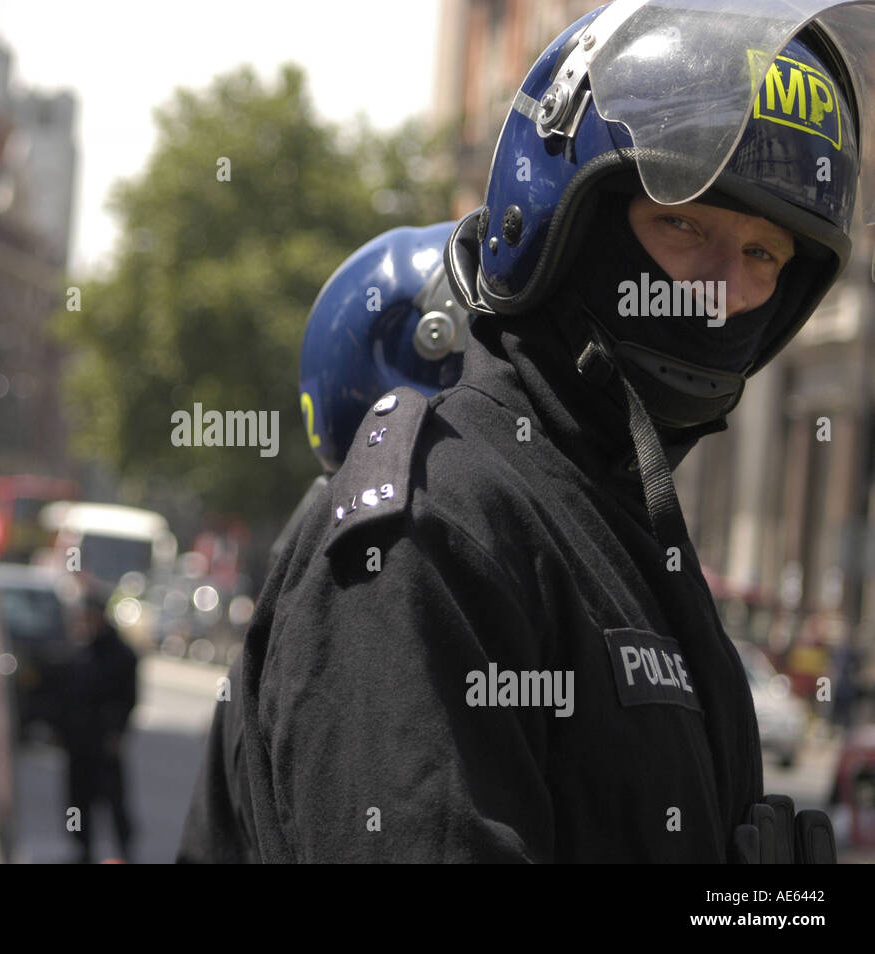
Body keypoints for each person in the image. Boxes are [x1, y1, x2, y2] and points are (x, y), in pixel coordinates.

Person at [179, 0, 871, 862]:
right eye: (685, 224)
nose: (721, 289)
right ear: (567, 221)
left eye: (764, 254)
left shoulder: (634, 541)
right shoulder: (435, 532)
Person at [58, 585, 138, 863]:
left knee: (114, 803)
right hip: (78, 743)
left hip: (104, 743)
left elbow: (128, 699)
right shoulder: (78, 651)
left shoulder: (120, 654)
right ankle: (83, 850)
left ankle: (124, 852)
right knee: (78, 803)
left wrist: (116, 733)